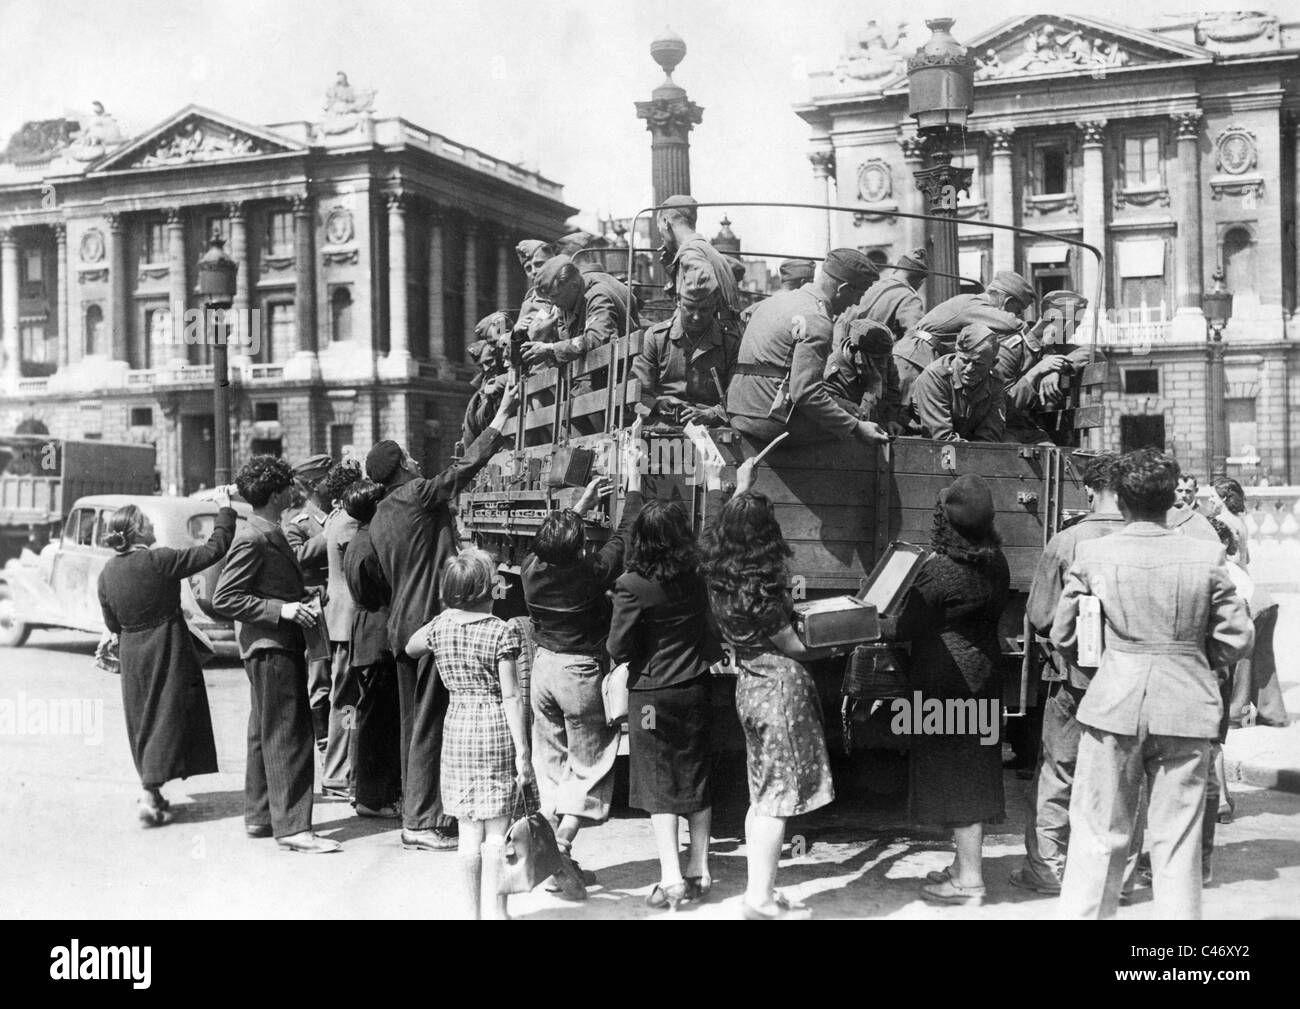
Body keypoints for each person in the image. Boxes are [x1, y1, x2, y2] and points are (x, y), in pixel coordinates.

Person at [1053, 449, 1253, 919]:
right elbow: (1237, 637)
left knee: (1099, 835)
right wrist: (1195, 661)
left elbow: (1065, 635)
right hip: (1186, 704)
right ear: (1172, 501)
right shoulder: (1206, 554)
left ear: (1120, 500)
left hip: (1112, 703)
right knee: (1177, 844)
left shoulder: (1093, 554)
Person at [367, 384, 520, 852]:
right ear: (401, 468)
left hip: (400, 627)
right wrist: (501, 419)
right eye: (410, 459)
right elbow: (463, 469)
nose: (416, 463)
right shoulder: (415, 494)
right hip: (429, 624)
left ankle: (420, 811)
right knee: (431, 723)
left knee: (415, 724)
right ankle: (422, 820)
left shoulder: (377, 516)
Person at [701, 457, 838, 920]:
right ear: (764, 536)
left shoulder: (720, 573)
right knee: (777, 802)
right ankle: (758, 899)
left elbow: (724, 527)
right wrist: (840, 642)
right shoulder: (761, 585)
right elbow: (794, 646)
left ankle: (761, 890)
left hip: (749, 687)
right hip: (779, 690)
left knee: (762, 795)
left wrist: (739, 488)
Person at [523, 431, 644, 900]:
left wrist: (581, 502)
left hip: (543, 670)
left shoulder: (534, 569)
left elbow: (554, 538)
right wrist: (634, 479)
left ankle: (559, 861)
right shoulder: (591, 575)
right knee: (592, 767)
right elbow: (625, 534)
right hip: (578, 674)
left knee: (553, 767)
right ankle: (559, 847)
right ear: (577, 553)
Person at [881, 474, 1011, 906]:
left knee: (956, 780)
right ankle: (962, 866)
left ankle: (970, 882)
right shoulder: (996, 561)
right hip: (985, 679)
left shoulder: (938, 573)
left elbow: (901, 626)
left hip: (946, 686)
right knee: (975, 770)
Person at [213, 456, 340, 853]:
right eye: (287, 486)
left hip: (267, 645)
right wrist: (282, 610)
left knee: (263, 733)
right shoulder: (253, 536)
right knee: (290, 735)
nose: (293, 490)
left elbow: (267, 584)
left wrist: (297, 598)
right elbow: (226, 597)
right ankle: (294, 829)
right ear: (273, 494)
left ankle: (261, 815)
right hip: (272, 646)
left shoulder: (267, 529)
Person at [1011, 453, 1125, 895]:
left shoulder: (1067, 541)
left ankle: (1047, 869)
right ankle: (1116, 875)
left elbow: (1040, 615)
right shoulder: (1153, 538)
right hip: (1133, 682)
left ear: (1091, 491)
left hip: (1076, 680)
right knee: (1124, 777)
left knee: (1059, 772)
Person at [406, 549, 533, 920]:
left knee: (467, 833)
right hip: (494, 727)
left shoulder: (440, 626)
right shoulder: (501, 631)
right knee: (497, 831)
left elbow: (411, 647)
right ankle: (497, 912)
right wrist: (522, 750)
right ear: (486, 590)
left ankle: (469, 913)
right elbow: (510, 695)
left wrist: (442, 618)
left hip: (458, 725)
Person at [607, 499, 720, 911]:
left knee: (658, 782)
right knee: (695, 774)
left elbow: (618, 646)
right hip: (695, 686)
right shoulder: (696, 576)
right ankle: (700, 871)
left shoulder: (631, 584)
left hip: (652, 694)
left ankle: (671, 879)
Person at [97, 496, 235, 826]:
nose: (153, 526)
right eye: (146, 522)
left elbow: (112, 623)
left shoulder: (107, 572)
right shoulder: (160, 560)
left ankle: (152, 790)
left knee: (144, 718)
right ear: (136, 531)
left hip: (133, 652)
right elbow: (214, 550)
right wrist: (225, 510)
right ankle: (149, 792)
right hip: (167, 646)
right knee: (168, 715)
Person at [726, 249, 890, 447]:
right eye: (858, 294)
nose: (855, 303)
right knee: (853, 428)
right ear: (844, 288)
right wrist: (855, 426)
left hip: (738, 411)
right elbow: (806, 394)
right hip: (769, 423)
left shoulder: (773, 302)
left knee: (842, 410)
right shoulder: (817, 319)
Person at [340, 480, 401, 818]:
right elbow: (386, 588)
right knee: (378, 721)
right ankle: (372, 798)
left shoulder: (358, 540)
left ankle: (364, 791)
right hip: (378, 635)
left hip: (366, 632)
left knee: (370, 717)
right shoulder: (371, 545)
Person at [894, 269, 1034, 401]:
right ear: (1007, 301)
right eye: (1018, 310)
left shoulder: (972, 303)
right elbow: (1011, 324)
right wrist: (1034, 334)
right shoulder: (974, 304)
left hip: (917, 357)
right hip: (913, 361)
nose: (1017, 315)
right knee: (902, 415)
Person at [633, 267, 739, 427]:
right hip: (662, 429)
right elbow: (639, 391)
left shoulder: (729, 342)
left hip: (712, 430)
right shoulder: (656, 338)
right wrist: (658, 406)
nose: (696, 317)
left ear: (715, 305)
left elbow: (738, 396)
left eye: (704, 310)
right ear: (677, 300)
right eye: (689, 308)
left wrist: (710, 414)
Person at [319, 461, 363, 799]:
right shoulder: (349, 521)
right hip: (348, 621)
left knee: (345, 698)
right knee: (347, 702)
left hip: (338, 619)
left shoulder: (335, 517)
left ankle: (338, 771)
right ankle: (337, 774)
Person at [284, 453, 333, 753]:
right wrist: (330, 534)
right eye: (329, 477)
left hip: (341, 603)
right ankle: (323, 737)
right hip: (317, 606)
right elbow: (295, 558)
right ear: (315, 484)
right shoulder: (298, 521)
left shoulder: (337, 512)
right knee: (320, 673)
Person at [520, 256, 639, 368]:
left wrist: (550, 349)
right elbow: (564, 342)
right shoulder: (566, 305)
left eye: (555, 296)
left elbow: (596, 340)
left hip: (616, 378)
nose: (552, 302)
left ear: (574, 285)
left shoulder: (598, 296)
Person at [907, 324, 1006, 442]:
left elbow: (990, 435)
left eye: (978, 364)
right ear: (956, 354)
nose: (969, 369)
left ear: (993, 363)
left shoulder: (994, 382)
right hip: (924, 447)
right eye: (964, 361)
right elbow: (941, 437)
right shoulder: (935, 378)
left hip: (966, 449)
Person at [656, 194, 743, 318]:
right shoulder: (705, 249)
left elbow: (695, 315)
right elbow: (738, 268)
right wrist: (673, 271)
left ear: (666, 222)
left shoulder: (690, 253)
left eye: (660, 231)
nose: (662, 239)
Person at [823, 317, 905, 432]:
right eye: (878, 359)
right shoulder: (832, 377)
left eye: (887, 358)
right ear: (856, 352)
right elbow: (864, 424)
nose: (884, 365)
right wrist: (873, 386)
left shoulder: (884, 358)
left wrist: (891, 420)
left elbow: (893, 394)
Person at [841, 246, 927, 343]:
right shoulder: (909, 299)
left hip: (846, 351)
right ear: (921, 280)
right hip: (876, 356)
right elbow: (914, 343)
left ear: (897, 268)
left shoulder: (869, 288)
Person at [1207, 477, 1251, 568]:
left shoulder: (1222, 520)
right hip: (1244, 574)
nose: (1209, 500)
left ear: (1224, 498)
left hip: (1232, 575)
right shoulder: (1239, 519)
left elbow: (1234, 557)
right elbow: (1247, 559)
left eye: (1212, 496)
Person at [1168, 472, 1220, 543]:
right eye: (1179, 491)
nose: (1183, 495)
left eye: (1188, 491)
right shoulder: (1166, 514)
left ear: (1196, 491)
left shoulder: (1207, 515)